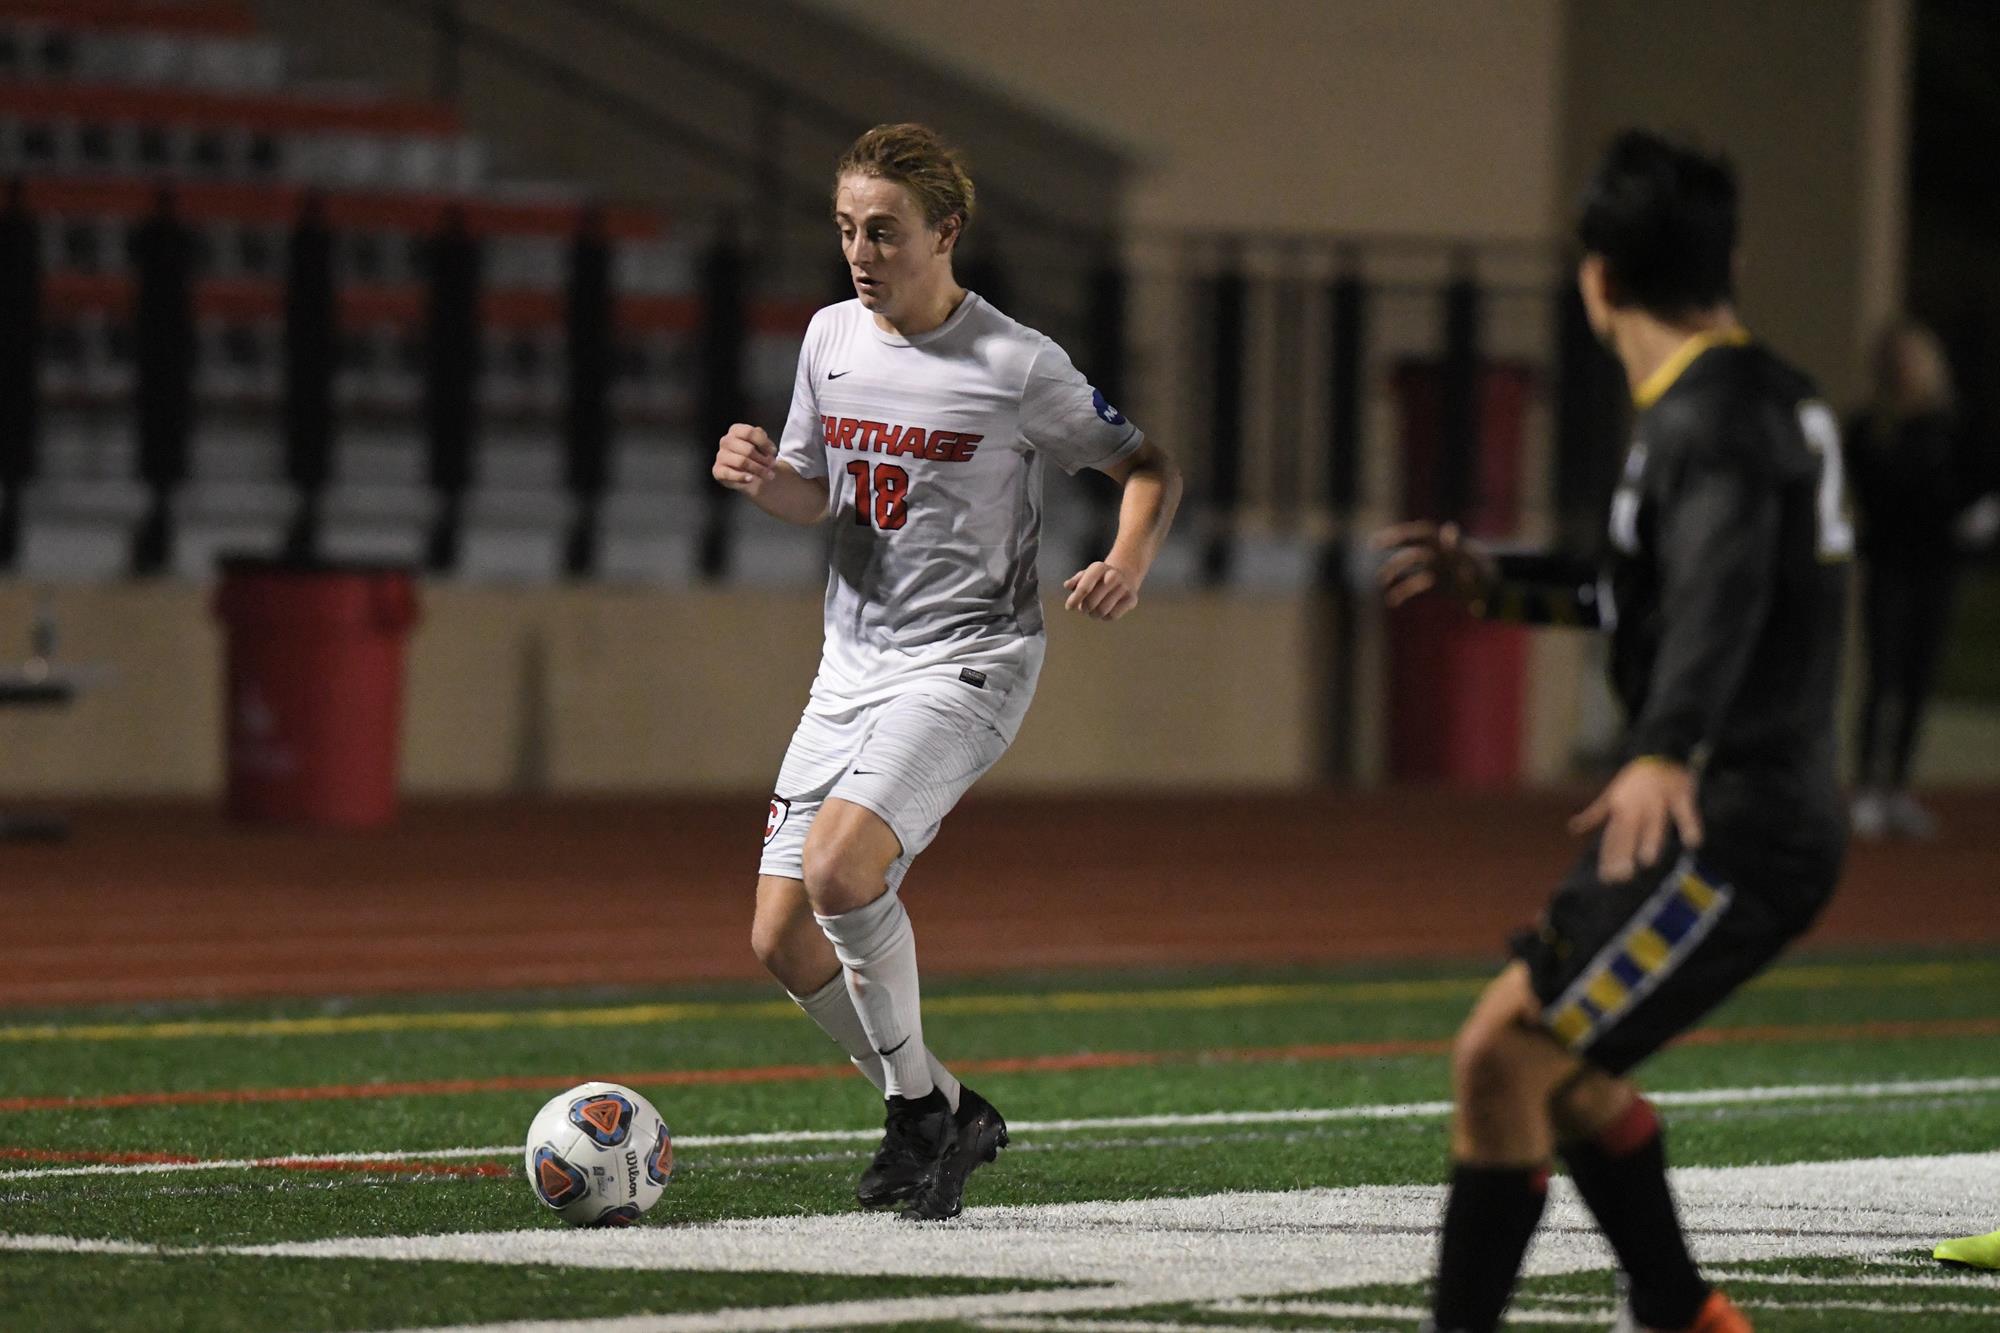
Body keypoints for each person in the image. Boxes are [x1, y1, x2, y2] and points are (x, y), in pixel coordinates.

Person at [1376, 130, 1850, 1333]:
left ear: (1596, 278)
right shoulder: (1735, 398)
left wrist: (1660, 744)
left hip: (1727, 826)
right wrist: (1507, 587)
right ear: (1723, 260)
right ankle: (1684, 1312)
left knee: (1501, 1059)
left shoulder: (1706, 423)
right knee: (1562, 1073)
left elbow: (1721, 592)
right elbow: (1657, 586)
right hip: (1717, 810)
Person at [712, 123, 1182, 1222]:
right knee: (777, 938)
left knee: (839, 874)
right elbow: (818, 494)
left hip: (968, 663)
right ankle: (936, 1108)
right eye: (844, 229)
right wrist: (762, 478)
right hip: (848, 671)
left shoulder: (1014, 362)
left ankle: (919, 1117)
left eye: (882, 229)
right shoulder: (829, 338)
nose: (859, 251)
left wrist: (1124, 558)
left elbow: (1146, 462)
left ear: (945, 231)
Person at [1845, 320, 1999, 840]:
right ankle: (1867, 786)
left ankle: (1897, 788)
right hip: (1890, 565)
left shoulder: (1953, 425)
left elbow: (1977, 483)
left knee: (1917, 680)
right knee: (1882, 676)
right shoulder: (1870, 428)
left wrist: (1974, 519)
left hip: (1937, 567)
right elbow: (1875, 496)